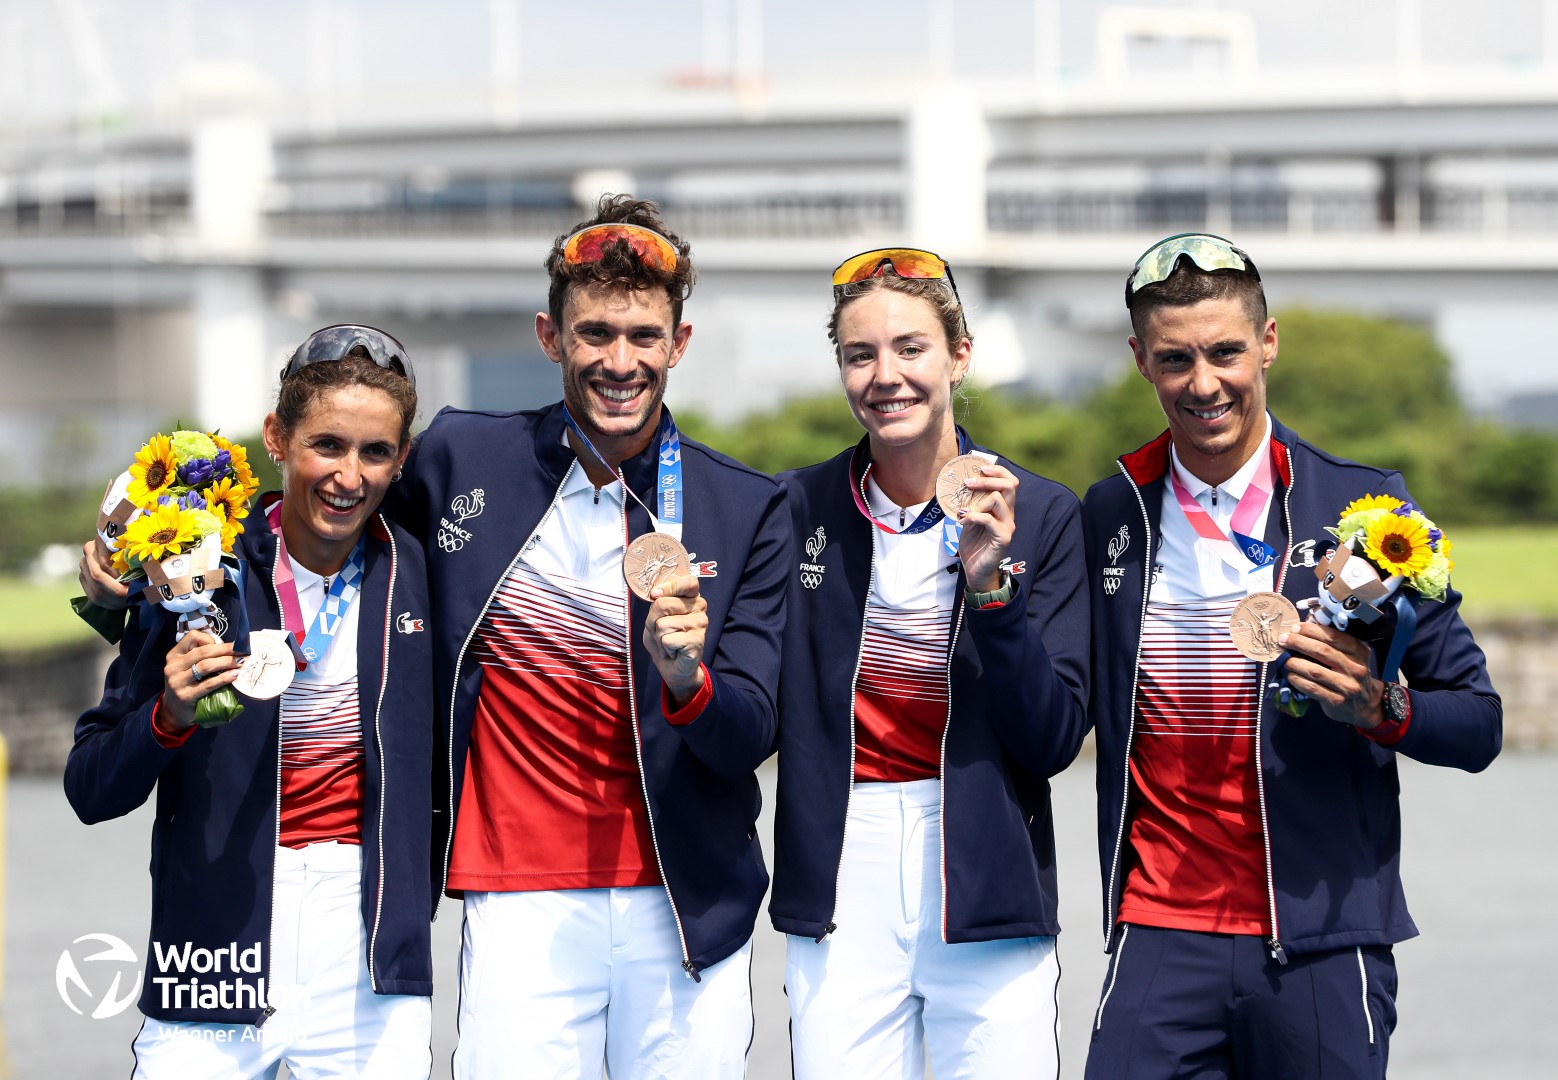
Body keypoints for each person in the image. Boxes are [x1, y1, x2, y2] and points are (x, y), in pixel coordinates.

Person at [1080, 233, 1502, 1078]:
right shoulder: (1109, 512)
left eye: (1226, 351)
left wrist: (1382, 708)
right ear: (1140, 360)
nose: (1204, 384)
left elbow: (1478, 723)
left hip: (1318, 935)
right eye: (1175, 359)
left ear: (1267, 343)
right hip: (1159, 927)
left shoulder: (1368, 511)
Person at [385, 195, 789, 1077]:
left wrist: (688, 682)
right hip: (515, 899)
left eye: (644, 337)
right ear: (549, 336)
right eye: (594, 333)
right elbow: (329, 529)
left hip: (684, 904)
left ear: (679, 344)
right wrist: (131, 591)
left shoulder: (749, 507)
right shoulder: (458, 457)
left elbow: (751, 732)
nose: (619, 362)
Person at [67, 326, 436, 1077]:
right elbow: (91, 788)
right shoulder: (196, 575)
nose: (348, 475)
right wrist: (166, 719)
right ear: (276, 436)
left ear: (401, 461)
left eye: (375, 452)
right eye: (326, 445)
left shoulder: (424, 575)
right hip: (208, 957)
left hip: (369, 971)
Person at [769, 248, 1089, 1078]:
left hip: (984, 864)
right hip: (841, 866)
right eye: (860, 354)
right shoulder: (793, 507)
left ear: (960, 354)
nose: (887, 375)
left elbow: (1053, 739)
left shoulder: (1044, 513)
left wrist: (990, 589)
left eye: (910, 348)